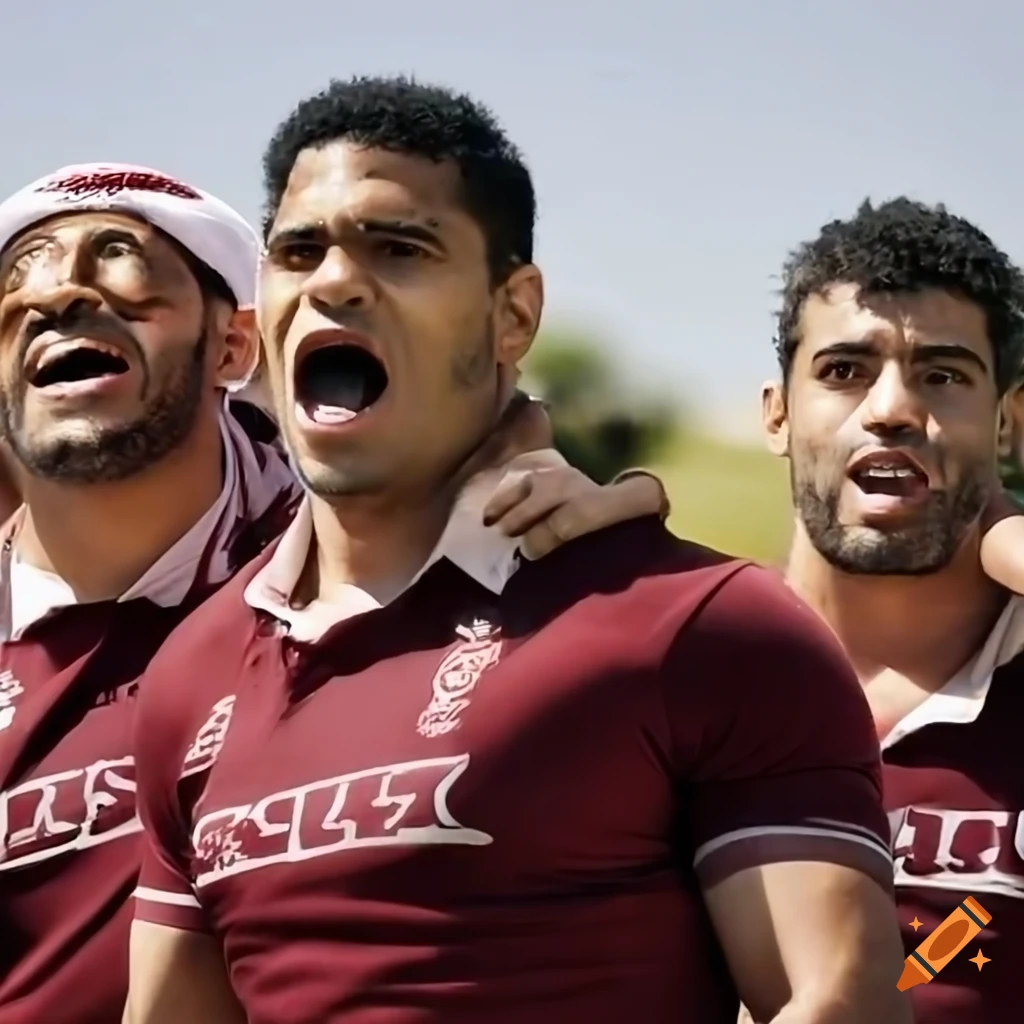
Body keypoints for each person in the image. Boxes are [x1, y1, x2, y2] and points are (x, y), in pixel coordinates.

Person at [125, 76, 908, 1024]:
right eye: (298, 251)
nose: (333, 281)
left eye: (399, 248)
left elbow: (840, 1000)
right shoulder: (191, 674)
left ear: (514, 315)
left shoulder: (702, 625)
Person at [0, 161, 665, 1024]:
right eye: (22, 283)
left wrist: (615, 498)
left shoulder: (346, 555)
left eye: (119, 265)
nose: (59, 297)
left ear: (235, 347)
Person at [762, 196, 1024, 1024]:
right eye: (844, 371)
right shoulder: (662, 673)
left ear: (1010, 423)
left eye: (943, 376)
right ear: (776, 414)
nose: (891, 410)